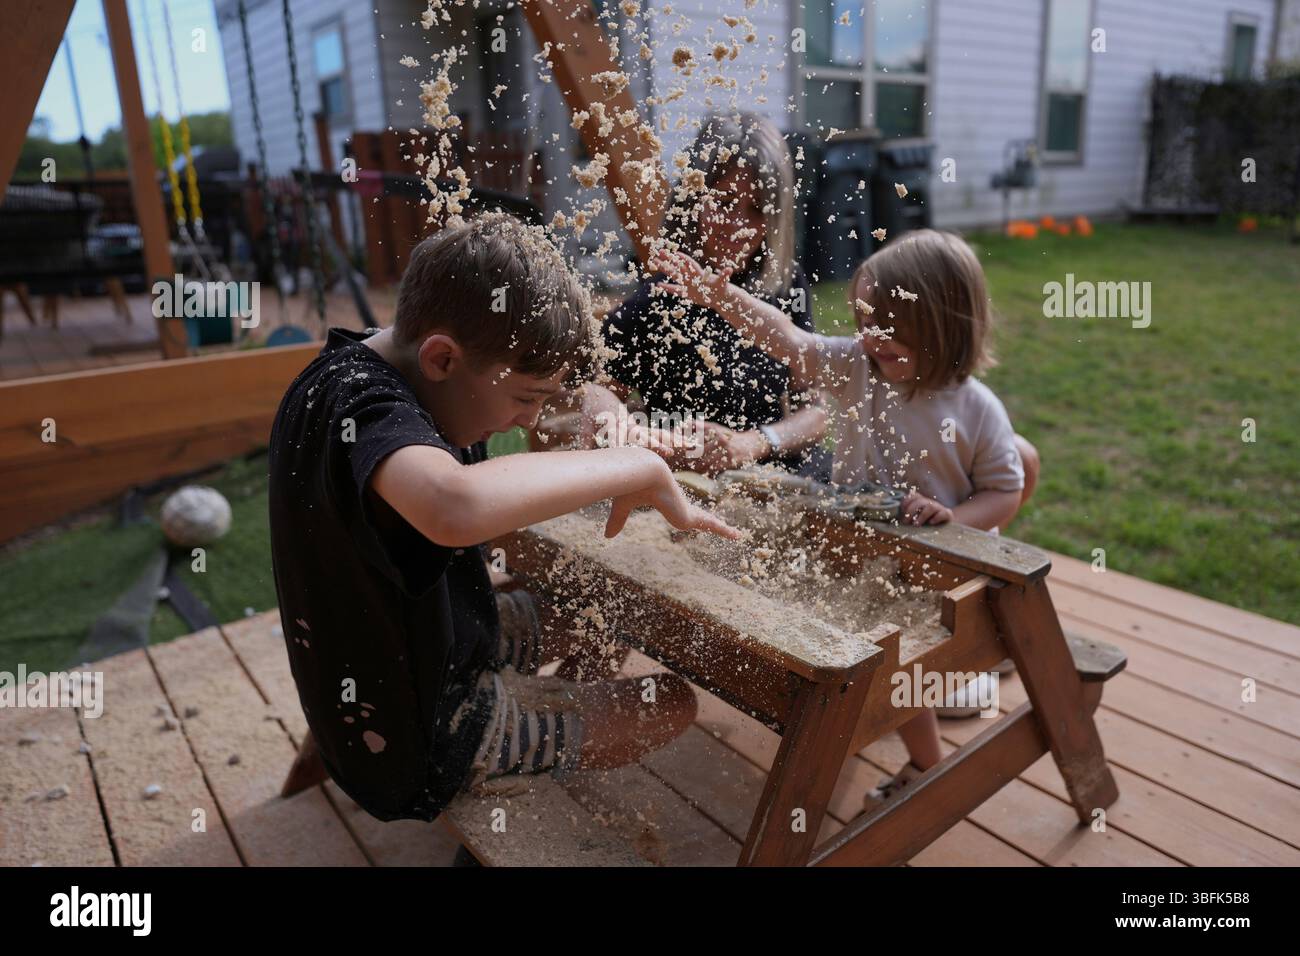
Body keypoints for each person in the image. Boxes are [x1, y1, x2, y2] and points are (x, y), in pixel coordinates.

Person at [267, 212, 738, 823]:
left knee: (607, 612)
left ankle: (533, 717)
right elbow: (453, 506)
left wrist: (598, 407)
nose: (528, 420)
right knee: (671, 702)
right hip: (419, 736)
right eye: (525, 401)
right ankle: (512, 762)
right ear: (441, 359)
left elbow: (567, 387)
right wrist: (638, 468)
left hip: (426, 642)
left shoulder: (393, 356)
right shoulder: (367, 408)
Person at [648, 227, 1041, 805]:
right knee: (848, 636)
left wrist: (952, 514)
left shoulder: (977, 408)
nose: (869, 338)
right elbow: (786, 338)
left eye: (888, 328)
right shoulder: (860, 366)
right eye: (862, 322)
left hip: (941, 566)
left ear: (943, 327)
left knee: (898, 665)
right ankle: (887, 732)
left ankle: (924, 764)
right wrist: (720, 296)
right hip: (865, 545)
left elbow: (1005, 493)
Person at [544, 112, 830, 477]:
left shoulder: (785, 286)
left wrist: (753, 442)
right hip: (688, 485)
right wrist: (626, 426)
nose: (737, 225)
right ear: (694, 198)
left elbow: (816, 413)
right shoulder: (659, 301)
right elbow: (593, 391)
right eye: (724, 202)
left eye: (757, 210)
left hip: (772, 477)